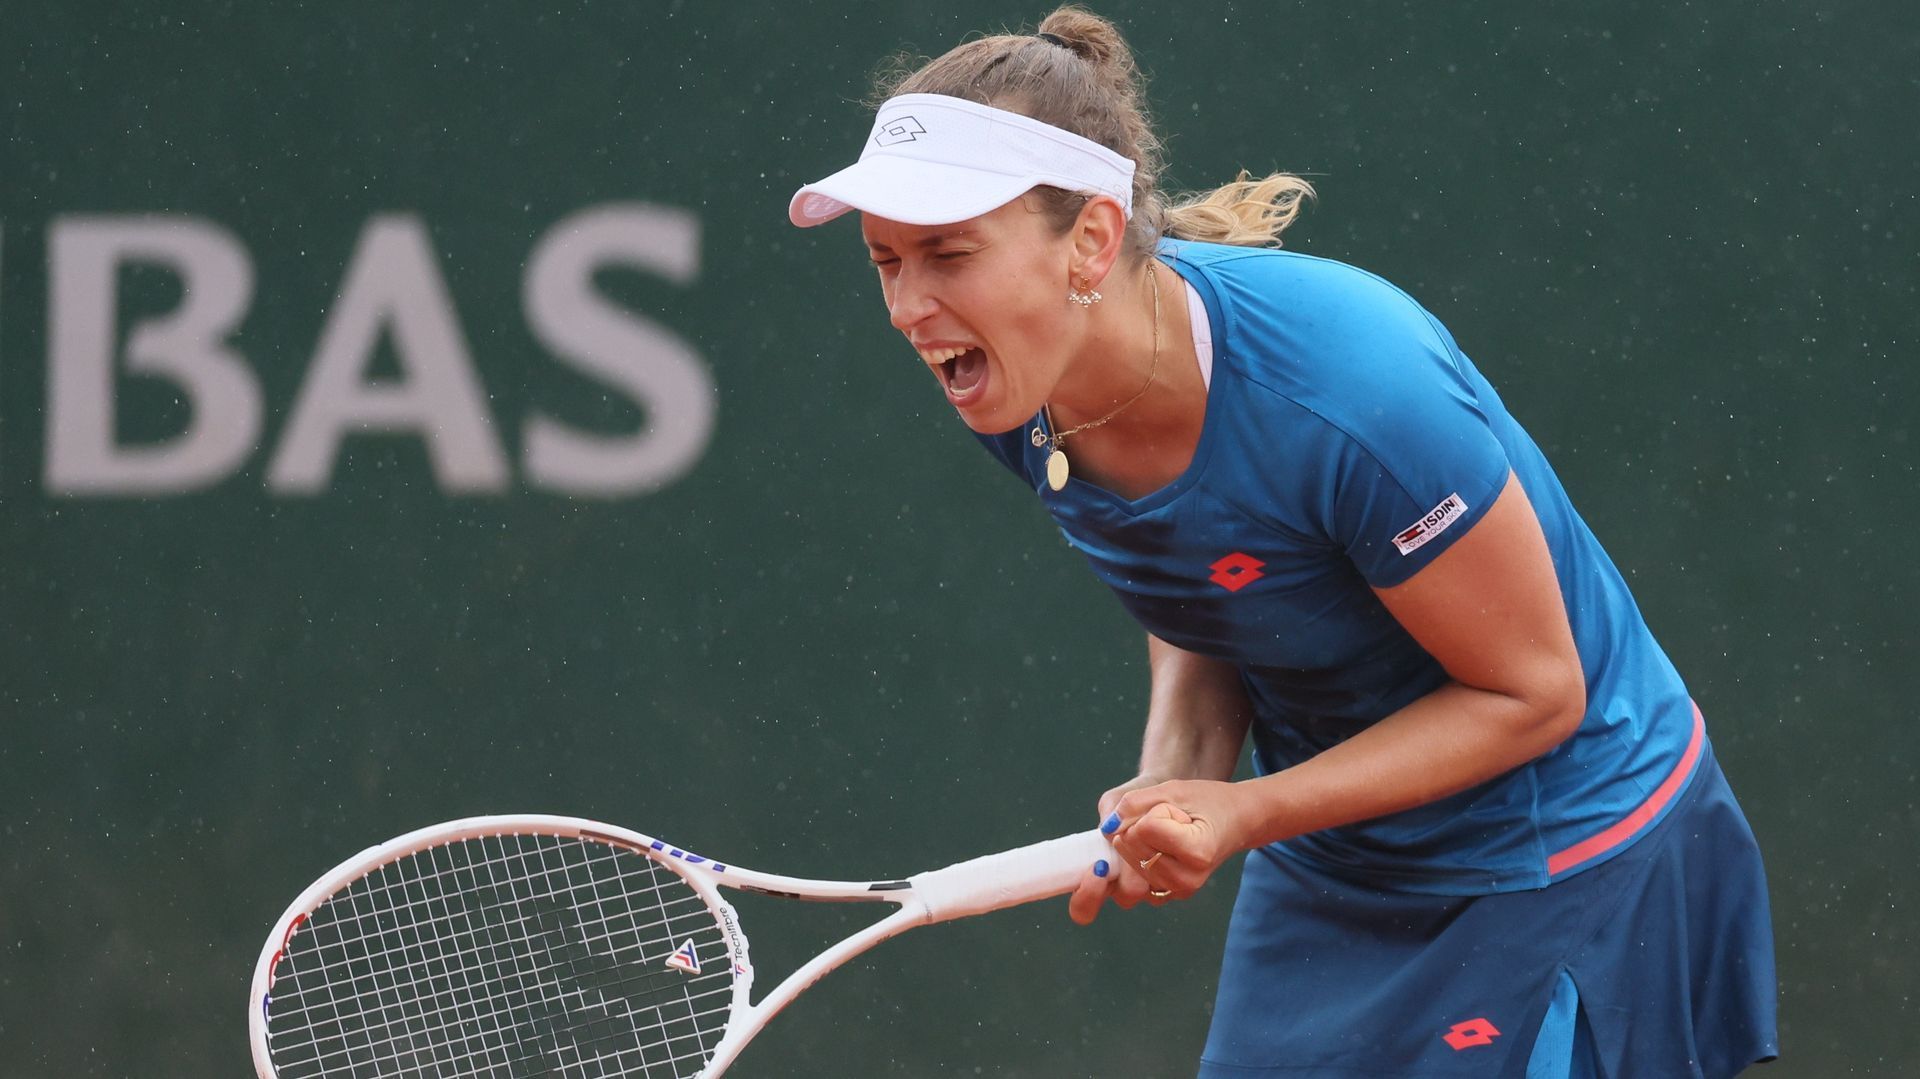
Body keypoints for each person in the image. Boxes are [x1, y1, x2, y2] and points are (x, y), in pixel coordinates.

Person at [788, 6, 1779, 1076]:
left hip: (1566, 849)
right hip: (1335, 865)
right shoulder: (1017, 388)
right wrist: (1177, 775)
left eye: (949, 254)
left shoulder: (1354, 392)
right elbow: (1209, 588)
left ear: (1091, 240)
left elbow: (1535, 693)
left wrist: (1245, 809)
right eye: (886, 260)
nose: (909, 306)